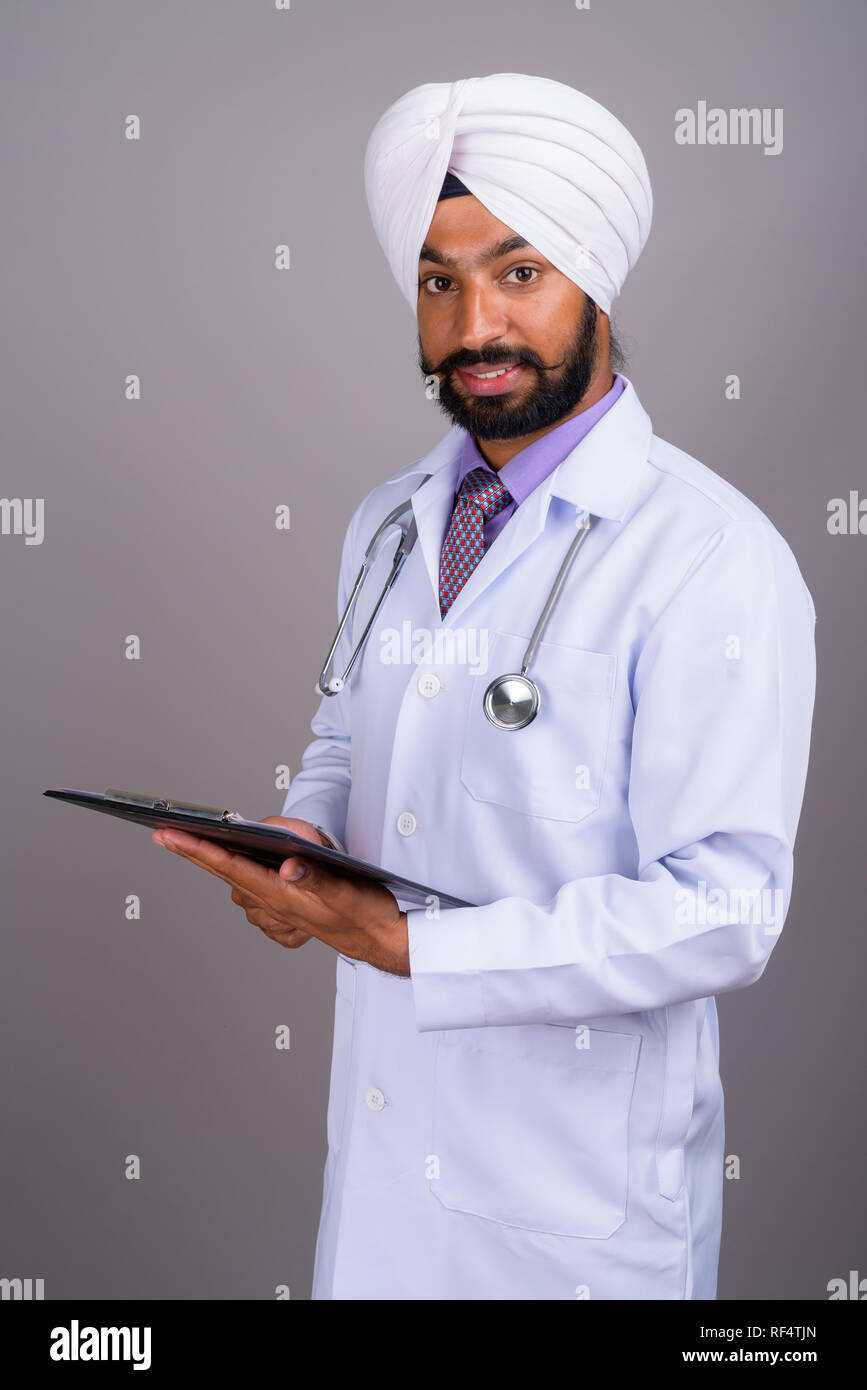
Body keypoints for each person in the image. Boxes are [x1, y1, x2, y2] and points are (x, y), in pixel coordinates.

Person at [152, 73, 817, 1300]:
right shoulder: (388, 525)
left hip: (577, 1216)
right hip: (384, 1184)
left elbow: (728, 904)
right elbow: (347, 736)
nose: (474, 328)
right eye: (439, 280)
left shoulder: (709, 556)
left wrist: (417, 949)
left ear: (595, 281)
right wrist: (302, 842)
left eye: (520, 273)